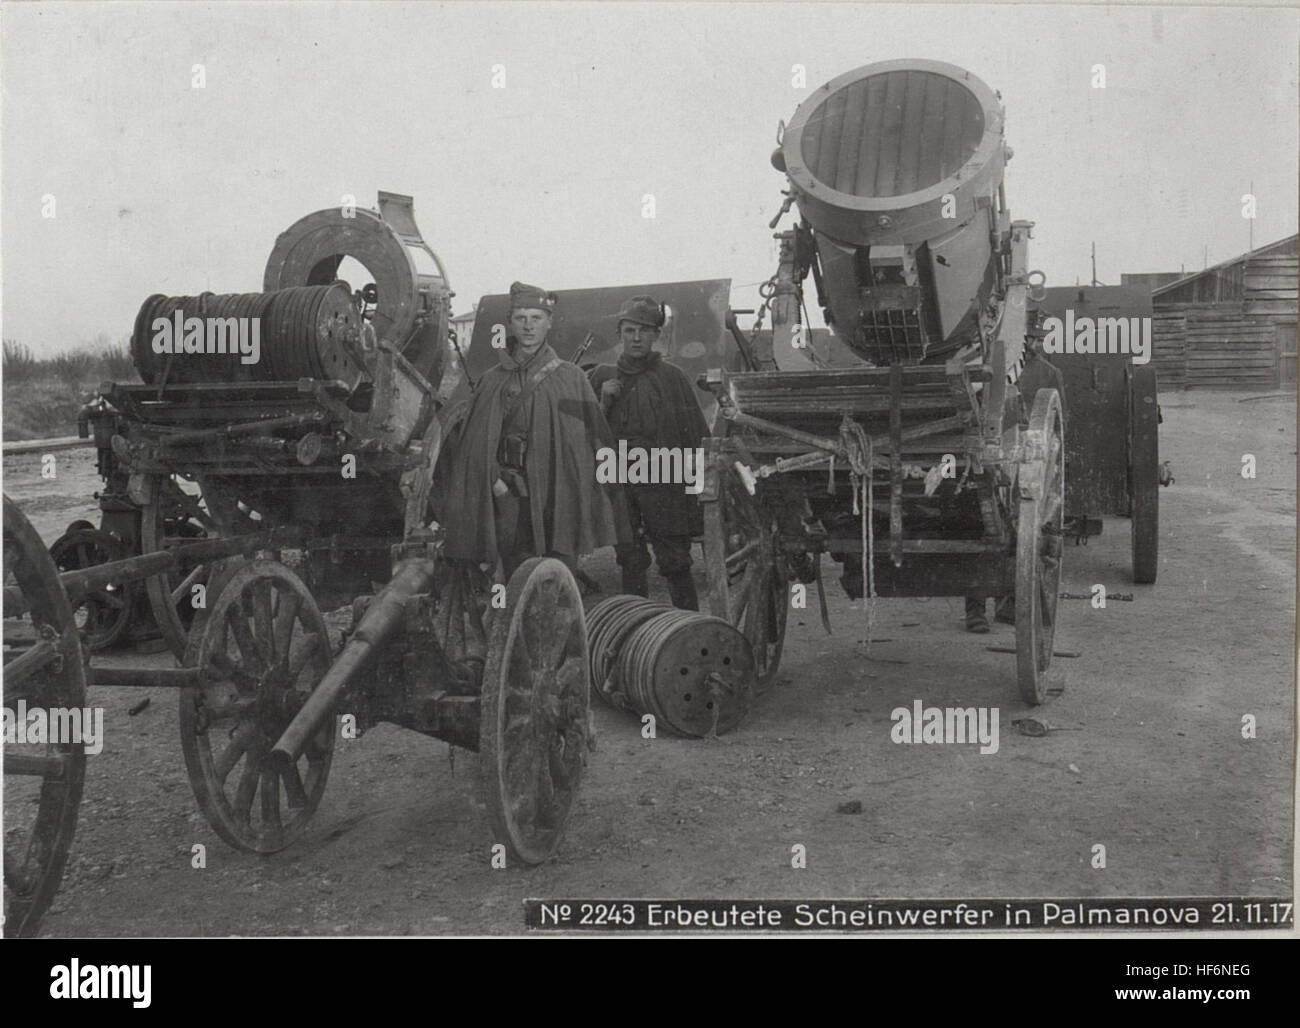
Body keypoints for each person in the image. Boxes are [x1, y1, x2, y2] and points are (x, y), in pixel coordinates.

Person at [438, 281, 622, 579]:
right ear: (510, 322)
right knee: (517, 576)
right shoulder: (493, 379)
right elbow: (474, 444)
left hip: (558, 493)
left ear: (549, 323)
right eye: (521, 318)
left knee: (562, 575)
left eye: (536, 318)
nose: (528, 326)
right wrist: (496, 482)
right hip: (512, 494)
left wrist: (579, 494)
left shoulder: (572, 377)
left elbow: (592, 440)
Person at [588, 295, 710, 609]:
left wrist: (698, 492)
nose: (637, 338)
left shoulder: (672, 378)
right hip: (619, 480)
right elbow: (585, 436)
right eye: (629, 330)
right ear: (620, 335)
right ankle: (635, 630)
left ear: (656, 335)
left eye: (644, 330)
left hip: (664, 478)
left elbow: (695, 434)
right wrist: (604, 402)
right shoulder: (602, 376)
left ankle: (689, 628)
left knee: (675, 560)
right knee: (630, 559)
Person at [965, 320, 1068, 632]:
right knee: (983, 527)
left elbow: (1057, 427)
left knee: (1020, 533)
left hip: (1027, 460)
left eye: (1037, 339)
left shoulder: (1049, 374)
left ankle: (1009, 606)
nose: (1034, 344)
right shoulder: (987, 366)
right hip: (992, 455)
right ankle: (976, 612)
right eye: (1030, 338)